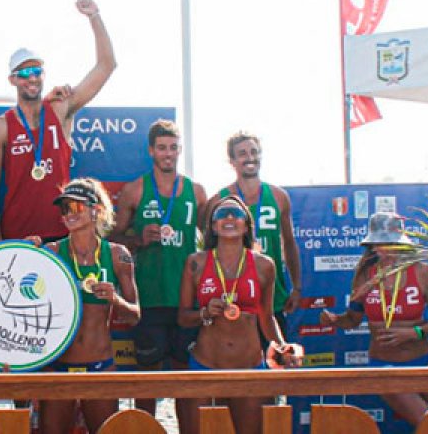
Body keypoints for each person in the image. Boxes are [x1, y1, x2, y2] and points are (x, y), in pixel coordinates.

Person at [0, 0, 117, 242]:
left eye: (36, 71)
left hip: (63, 235)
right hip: (17, 234)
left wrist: (95, 17)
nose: (31, 78)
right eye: (23, 73)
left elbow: (106, 66)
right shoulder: (0, 127)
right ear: (12, 80)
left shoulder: (60, 109)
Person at [109, 119, 206, 425]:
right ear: (151, 151)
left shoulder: (197, 191)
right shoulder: (135, 190)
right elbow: (111, 238)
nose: (168, 153)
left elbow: (212, 242)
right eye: (162, 147)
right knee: (147, 379)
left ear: (180, 150)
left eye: (173, 147)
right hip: (148, 298)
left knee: (185, 380)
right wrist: (137, 240)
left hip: (186, 301)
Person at [178, 195, 301, 434]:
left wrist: (283, 346)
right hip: (206, 365)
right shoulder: (196, 262)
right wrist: (204, 312)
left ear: (247, 225)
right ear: (213, 226)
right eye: (222, 214)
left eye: (237, 214)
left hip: (249, 366)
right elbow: (182, 317)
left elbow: (267, 317)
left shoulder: (265, 265)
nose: (230, 218)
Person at [320, 211, 428, 426]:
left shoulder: (423, 271)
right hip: (385, 366)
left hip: (424, 362)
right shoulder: (364, 275)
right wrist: (334, 320)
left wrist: (414, 332)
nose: (383, 249)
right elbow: (352, 320)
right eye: (377, 244)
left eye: (389, 243)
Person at [41, 178, 140, 434]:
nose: (69, 214)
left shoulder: (118, 255)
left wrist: (114, 299)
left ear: (95, 209)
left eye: (76, 207)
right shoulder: (51, 252)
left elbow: (135, 315)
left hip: (100, 365)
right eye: (64, 209)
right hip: (58, 366)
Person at [210, 131, 302, 339]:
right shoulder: (219, 199)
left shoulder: (278, 197)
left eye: (254, 152)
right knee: (238, 365)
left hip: (273, 293)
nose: (249, 158)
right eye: (242, 153)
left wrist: (296, 287)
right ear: (232, 161)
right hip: (234, 296)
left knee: (276, 359)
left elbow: (289, 243)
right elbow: (210, 249)